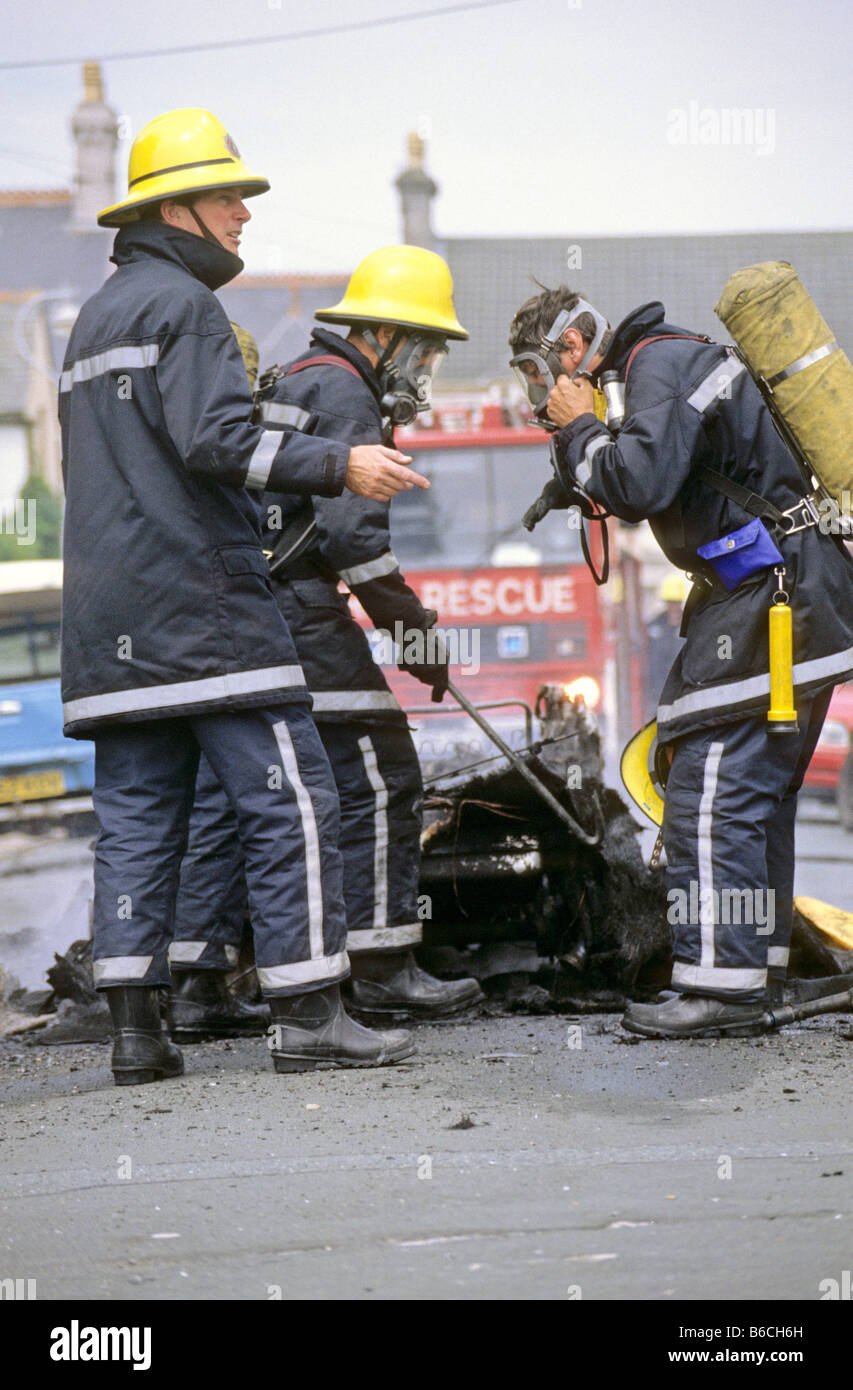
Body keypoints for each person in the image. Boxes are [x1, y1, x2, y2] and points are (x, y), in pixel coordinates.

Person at [60, 108, 430, 1083]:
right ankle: (310, 1015)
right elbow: (217, 441)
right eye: (227, 196)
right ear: (173, 206)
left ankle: (140, 1034)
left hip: (112, 626)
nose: (242, 214)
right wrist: (342, 463)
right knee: (294, 799)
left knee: (137, 814)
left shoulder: (94, 319)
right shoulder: (181, 306)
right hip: (207, 612)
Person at [509, 285, 853, 1037]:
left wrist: (578, 435)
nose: (538, 394)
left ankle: (719, 990)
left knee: (712, 790)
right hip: (785, 594)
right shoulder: (665, 364)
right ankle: (756, 970)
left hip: (773, 598)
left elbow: (638, 483)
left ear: (571, 350)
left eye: (537, 373)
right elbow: (665, 469)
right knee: (752, 794)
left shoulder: (654, 365)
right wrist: (579, 460)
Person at [169, 246, 483, 1034]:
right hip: (302, 613)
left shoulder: (298, 374)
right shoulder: (347, 392)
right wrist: (415, 636)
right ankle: (383, 968)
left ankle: (194, 986)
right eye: (428, 348)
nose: (430, 366)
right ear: (384, 335)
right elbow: (353, 538)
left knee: (230, 798)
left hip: (247, 611)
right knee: (381, 771)